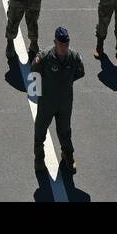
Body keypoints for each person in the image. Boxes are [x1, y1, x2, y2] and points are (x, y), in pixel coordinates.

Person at [30, 27, 85, 174]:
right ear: (55, 42)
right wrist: (35, 95)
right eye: (61, 44)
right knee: (40, 131)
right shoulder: (45, 57)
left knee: (65, 131)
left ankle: (68, 156)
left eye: (66, 44)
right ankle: (39, 159)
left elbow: (80, 72)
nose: (64, 48)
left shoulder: (73, 57)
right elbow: (33, 71)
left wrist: (65, 86)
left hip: (65, 103)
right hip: (47, 102)